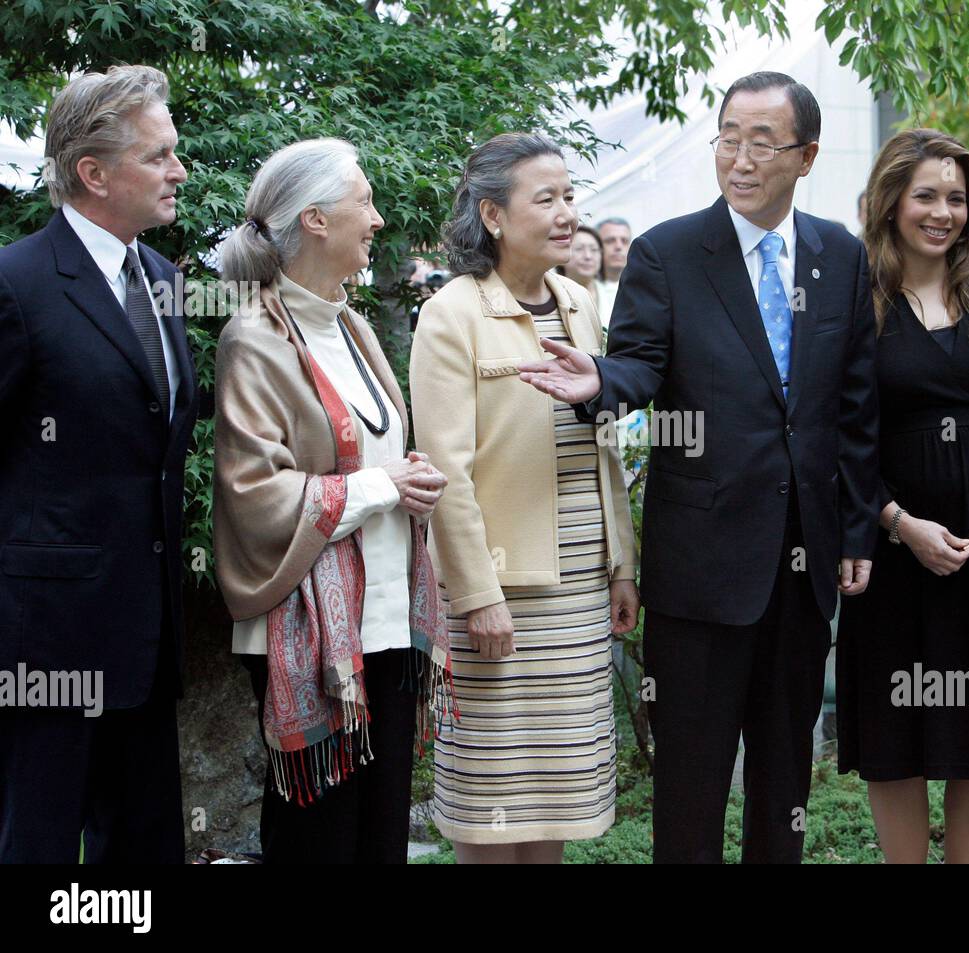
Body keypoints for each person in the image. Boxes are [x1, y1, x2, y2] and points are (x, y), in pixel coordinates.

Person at [518, 72, 880, 863]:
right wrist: (599, 381)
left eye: (762, 142)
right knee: (692, 785)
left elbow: (854, 409)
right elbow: (639, 364)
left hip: (804, 563)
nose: (740, 160)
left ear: (807, 155)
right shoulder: (669, 251)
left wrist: (856, 526)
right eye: (728, 138)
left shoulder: (840, 258)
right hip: (703, 566)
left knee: (785, 784)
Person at [214, 138, 452, 864]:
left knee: (381, 834)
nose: (378, 219)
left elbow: (366, 447)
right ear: (315, 221)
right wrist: (385, 485)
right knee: (317, 839)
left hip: (381, 619)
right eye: (365, 202)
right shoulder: (252, 337)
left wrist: (402, 470)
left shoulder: (350, 323)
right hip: (312, 626)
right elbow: (253, 492)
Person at [410, 132, 640, 864]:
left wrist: (621, 565)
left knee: (557, 792)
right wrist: (477, 593)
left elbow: (603, 448)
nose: (567, 212)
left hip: (578, 588)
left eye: (569, 195)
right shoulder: (452, 312)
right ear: (494, 216)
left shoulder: (578, 300)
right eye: (546, 198)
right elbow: (446, 470)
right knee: (490, 796)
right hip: (503, 591)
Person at [837, 129, 969, 864]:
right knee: (897, 736)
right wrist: (896, 523)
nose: (942, 211)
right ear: (892, 200)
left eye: (956, 197)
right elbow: (837, 429)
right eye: (925, 194)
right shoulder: (852, 298)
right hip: (896, 554)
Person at [0, 65, 197, 863]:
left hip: (147, 639)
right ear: (93, 172)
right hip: (44, 649)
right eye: (159, 156)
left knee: (144, 850)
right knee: (36, 848)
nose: (178, 171)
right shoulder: (15, 283)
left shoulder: (164, 280)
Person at [558, 223, 609, 326]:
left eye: (594, 250)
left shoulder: (615, 294)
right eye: (579, 249)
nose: (588, 256)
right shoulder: (551, 295)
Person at [595, 216, 632, 328]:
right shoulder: (582, 288)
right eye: (610, 241)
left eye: (624, 241)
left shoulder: (643, 288)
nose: (619, 246)